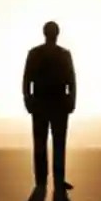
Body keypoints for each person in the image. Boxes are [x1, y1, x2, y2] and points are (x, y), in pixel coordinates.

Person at [22, 20, 76, 190]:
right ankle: (46, 180)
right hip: (47, 104)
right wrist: (28, 100)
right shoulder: (38, 54)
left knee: (48, 143)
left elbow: (71, 80)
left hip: (52, 104)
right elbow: (27, 79)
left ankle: (46, 180)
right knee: (50, 143)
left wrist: (28, 99)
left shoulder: (42, 53)